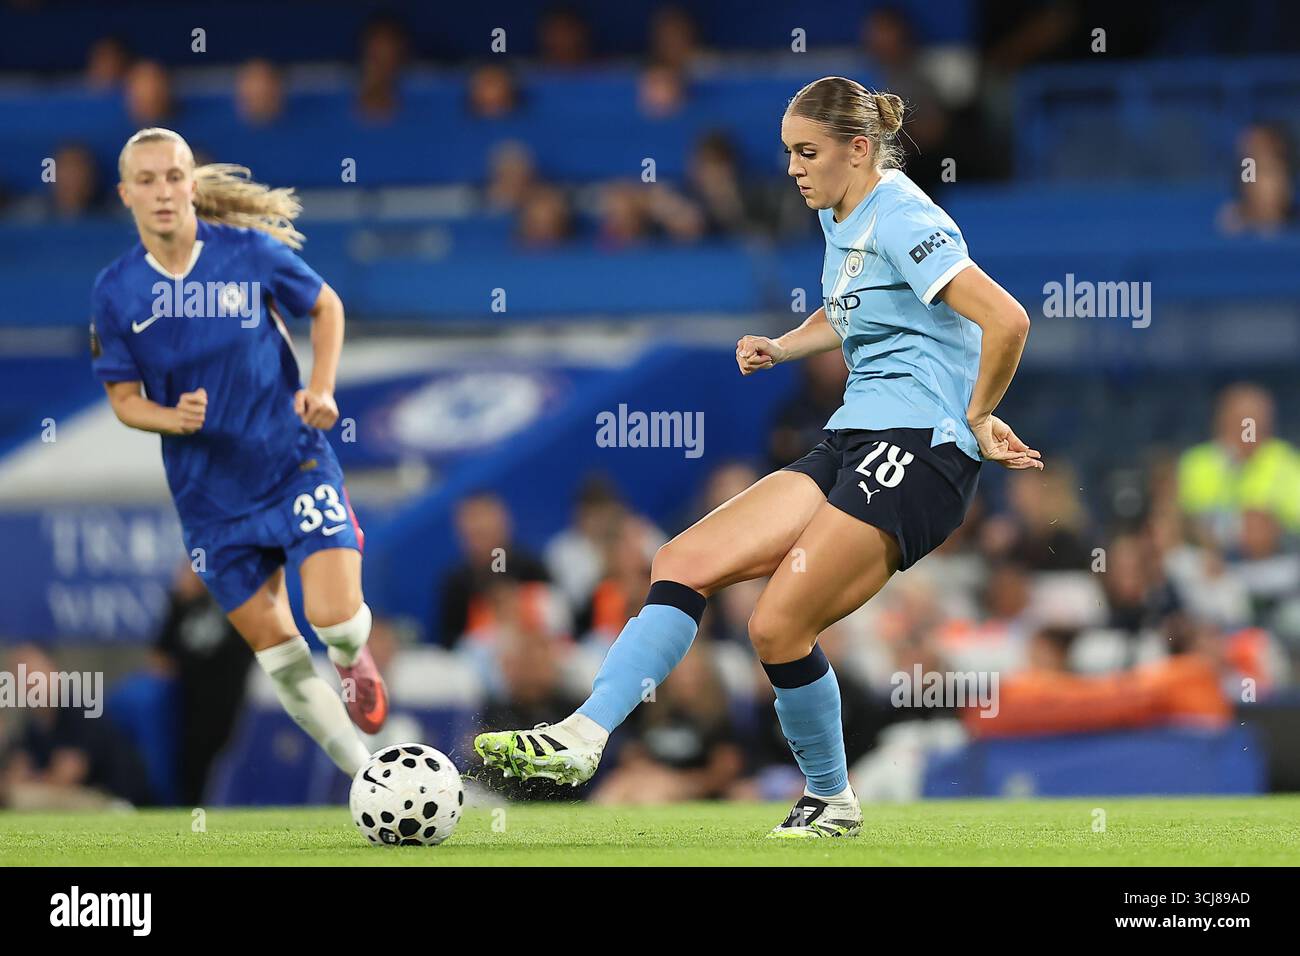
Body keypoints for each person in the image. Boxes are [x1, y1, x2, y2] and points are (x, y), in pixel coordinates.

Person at [476, 76, 1041, 838]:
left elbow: (1007, 318)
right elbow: (853, 307)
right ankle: (583, 736)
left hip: (918, 452)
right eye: (787, 152)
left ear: (860, 149)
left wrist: (976, 414)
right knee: (682, 558)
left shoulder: (906, 216)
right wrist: (785, 345)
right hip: (854, 438)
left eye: (807, 152)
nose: (792, 168)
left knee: (777, 626)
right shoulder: (844, 214)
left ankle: (830, 798)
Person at [90, 127, 387, 783]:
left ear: (191, 184)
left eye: (174, 176)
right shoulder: (115, 293)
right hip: (210, 501)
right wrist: (169, 418)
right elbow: (122, 398)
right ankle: (368, 775)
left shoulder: (247, 253)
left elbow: (326, 305)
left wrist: (321, 387)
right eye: (148, 179)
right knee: (276, 652)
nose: (163, 190)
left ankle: (350, 654)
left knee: (332, 619)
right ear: (126, 194)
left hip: (292, 462)